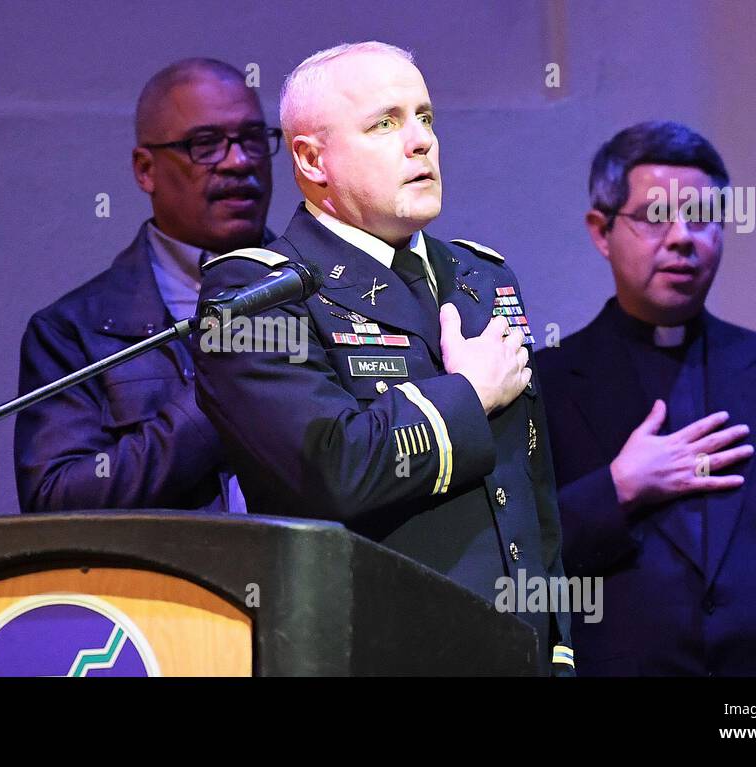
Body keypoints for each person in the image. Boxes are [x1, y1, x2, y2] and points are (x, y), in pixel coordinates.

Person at [193, 42, 572, 675]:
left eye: (425, 117)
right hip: (374, 653)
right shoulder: (252, 296)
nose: (421, 141)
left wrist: (557, 647)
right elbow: (333, 469)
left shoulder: (482, 277)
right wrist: (468, 397)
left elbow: (533, 493)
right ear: (312, 160)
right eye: (385, 123)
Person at [534, 121, 756, 675]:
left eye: (704, 217)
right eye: (655, 217)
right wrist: (619, 488)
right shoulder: (547, 382)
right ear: (601, 231)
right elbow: (521, 564)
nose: (683, 236)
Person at [15, 58, 275, 513]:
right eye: (206, 144)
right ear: (145, 169)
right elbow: (57, 499)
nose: (239, 161)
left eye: (253, 140)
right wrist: (217, 397)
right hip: (166, 580)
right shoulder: (76, 330)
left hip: (309, 575)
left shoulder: (325, 292)